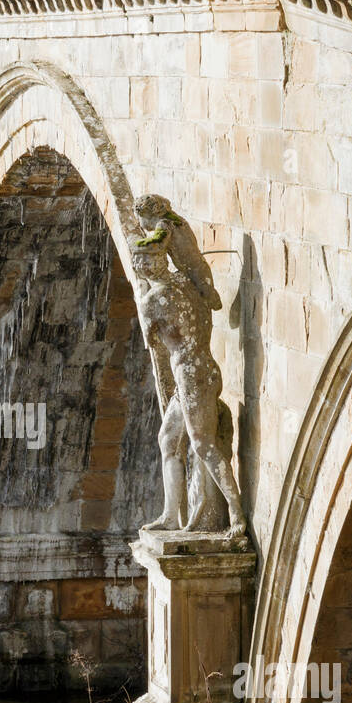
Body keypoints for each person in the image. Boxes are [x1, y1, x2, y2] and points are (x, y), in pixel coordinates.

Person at [130, 195, 246, 537]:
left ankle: (236, 515)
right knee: (168, 438)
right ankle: (170, 516)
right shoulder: (187, 282)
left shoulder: (152, 302)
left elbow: (149, 341)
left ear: (145, 266)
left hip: (191, 378)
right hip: (203, 372)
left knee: (204, 445)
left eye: (141, 264)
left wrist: (142, 296)